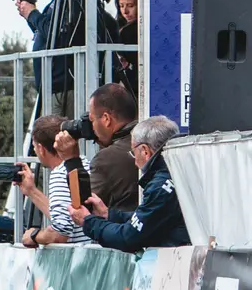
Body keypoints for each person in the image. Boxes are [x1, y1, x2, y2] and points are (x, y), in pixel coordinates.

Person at [79, 116, 189, 252]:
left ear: (145, 151)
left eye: (133, 153)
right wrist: (108, 214)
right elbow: (151, 218)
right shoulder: (183, 170)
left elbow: (129, 237)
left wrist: (88, 222)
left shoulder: (161, 186)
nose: (135, 160)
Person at [15, 0, 92, 114]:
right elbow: (48, 33)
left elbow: (58, 33)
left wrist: (33, 14)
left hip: (66, 86)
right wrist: (29, 16)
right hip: (54, 86)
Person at [16, 115, 90, 247]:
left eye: (34, 147)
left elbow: (61, 233)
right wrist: (31, 191)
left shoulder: (60, 173)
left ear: (41, 149)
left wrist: (33, 235)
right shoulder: (84, 163)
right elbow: (68, 217)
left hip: (80, 261)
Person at [84, 83, 140, 212]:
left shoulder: (106, 159)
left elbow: (83, 211)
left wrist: (71, 159)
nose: (92, 127)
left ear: (106, 119)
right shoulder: (154, 140)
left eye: (92, 120)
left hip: (123, 229)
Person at [112, 0, 139, 95]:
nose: (125, 11)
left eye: (130, 5)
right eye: (121, 6)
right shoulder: (118, 27)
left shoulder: (130, 31)